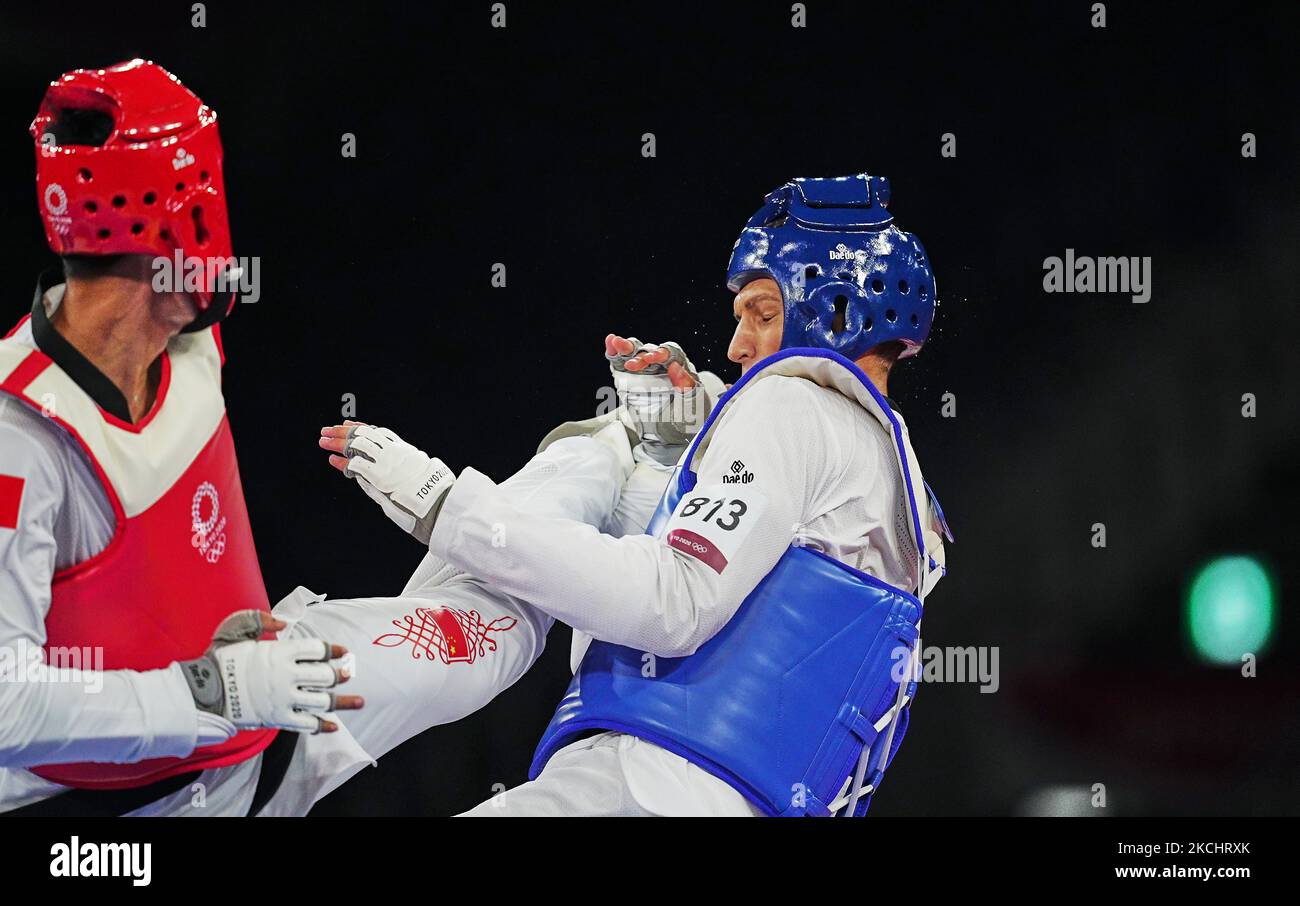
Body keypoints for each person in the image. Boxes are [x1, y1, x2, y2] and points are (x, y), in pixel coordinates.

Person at [0, 60, 708, 816]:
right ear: (189, 216)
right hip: (127, 817)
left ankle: (616, 439)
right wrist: (200, 689)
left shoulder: (189, 335)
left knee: (492, 634)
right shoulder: (24, 438)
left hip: (285, 696)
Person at [326, 173, 954, 816]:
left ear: (841, 314)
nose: (737, 346)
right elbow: (763, 593)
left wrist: (452, 507)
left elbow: (671, 601)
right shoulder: (901, 485)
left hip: (652, 788)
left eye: (763, 314)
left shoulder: (792, 400)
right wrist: (681, 449)